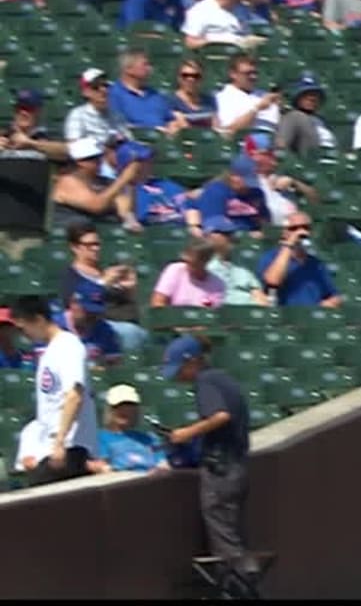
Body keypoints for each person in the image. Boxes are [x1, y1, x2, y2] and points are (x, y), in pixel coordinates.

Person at [161, 334, 261, 589]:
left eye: (180, 369)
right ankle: (246, 581)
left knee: (225, 541)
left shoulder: (206, 381)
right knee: (233, 533)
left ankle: (240, 586)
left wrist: (187, 433)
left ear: (193, 361)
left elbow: (221, 416)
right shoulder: (223, 378)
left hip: (221, 470)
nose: (178, 376)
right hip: (236, 465)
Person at [13, 293, 100, 486]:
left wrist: (60, 441)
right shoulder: (49, 352)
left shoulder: (68, 346)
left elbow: (74, 395)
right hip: (53, 446)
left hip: (70, 445)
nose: (24, 334)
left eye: (24, 327)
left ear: (38, 319)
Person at [52, 137, 141, 231]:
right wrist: (124, 178)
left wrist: (130, 183)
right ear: (81, 162)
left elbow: (125, 208)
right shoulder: (67, 181)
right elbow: (96, 205)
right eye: (96, 159)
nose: (100, 162)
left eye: (101, 158)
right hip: (73, 234)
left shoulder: (105, 181)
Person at [258, 211, 341, 307]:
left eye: (306, 228)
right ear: (284, 232)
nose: (301, 232)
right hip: (287, 313)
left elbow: (333, 295)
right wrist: (289, 244)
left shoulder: (316, 263)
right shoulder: (271, 257)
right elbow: (272, 281)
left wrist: (330, 303)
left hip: (312, 313)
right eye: (294, 228)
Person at [187, 155, 270, 237]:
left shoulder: (256, 193)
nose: (248, 186)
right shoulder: (216, 191)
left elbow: (264, 222)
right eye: (245, 180)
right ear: (233, 176)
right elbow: (214, 228)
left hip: (250, 237)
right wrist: (246, 235)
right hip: (228, 237)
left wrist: (262, 232)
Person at [98, 383, 171, 473]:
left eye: (130, 405)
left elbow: (163, 464)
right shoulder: (100, 439)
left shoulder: (150, 439)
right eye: (118, 406)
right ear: (110, 410)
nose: (124, 409)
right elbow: (102, 467)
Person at [202, 217, 269, 305]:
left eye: (233, 234)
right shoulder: (202, 265)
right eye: (227, 234)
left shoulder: (242, 262)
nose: (232, 238)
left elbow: (258, 293)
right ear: (209, 236)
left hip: (248, 310)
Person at [214, 54, 283, 136]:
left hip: (273, 138)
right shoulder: (222, 98)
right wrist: (257, 109)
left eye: (255, 73)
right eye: (248, 73)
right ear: (233, 74)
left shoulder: (265, 96)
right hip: (245, 140)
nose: (253, 77)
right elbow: (228, 130)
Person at [273, 73, 337, 155]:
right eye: (306, 94)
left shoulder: (322, 121)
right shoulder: (291, 117)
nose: (312, 98)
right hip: (310, 157)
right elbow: (281, 145)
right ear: (297, 97)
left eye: (315, 94)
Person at [151, 238, 226, 308]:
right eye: (186, 261)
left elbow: (214, 313)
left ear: (206, 261)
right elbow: (158, 303)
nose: (188, 265)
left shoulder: (217, 284)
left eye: (193, 263)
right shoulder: (175, 269)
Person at [167, 57, 219, 129]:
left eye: (196, 76)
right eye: (185, 75)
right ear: (179, 78)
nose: (190, 79)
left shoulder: (209, 101)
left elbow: (216, 126)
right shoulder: (169, 101)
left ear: (202, 79)